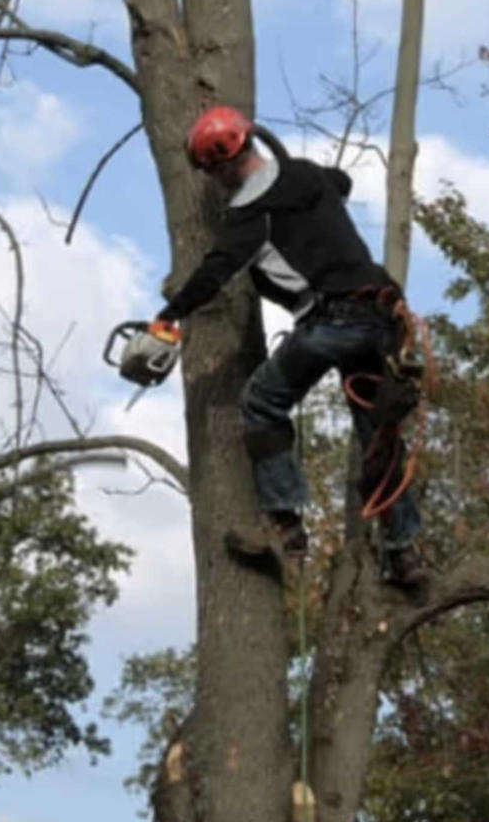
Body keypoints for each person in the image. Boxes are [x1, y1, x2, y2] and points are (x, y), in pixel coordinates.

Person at [156, 105, 421, 585]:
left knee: (261, 403)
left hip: (333, 320)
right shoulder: (307, 176)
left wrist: (168, 317)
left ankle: (284, 528)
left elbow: (216, 271)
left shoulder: (249, 215)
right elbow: (341, 182)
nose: (214, 182)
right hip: (384, 318)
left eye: (213, 172)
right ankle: (405, 553)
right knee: (377, 438)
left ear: (221, 163)